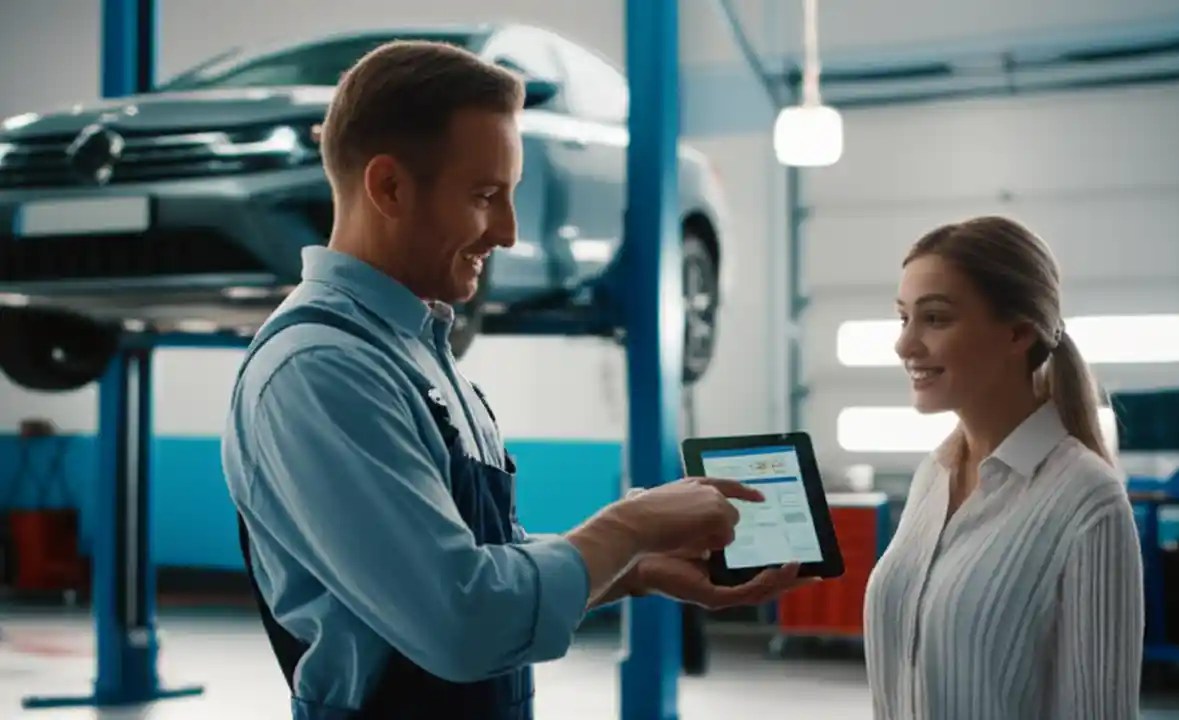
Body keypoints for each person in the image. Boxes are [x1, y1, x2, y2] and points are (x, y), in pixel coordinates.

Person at [221, 41, 805, 720]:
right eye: (485, 196)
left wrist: (632, 565)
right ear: (389, 188)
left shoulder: (416, 353)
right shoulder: (321, 372)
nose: (507, 231)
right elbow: (463, 620)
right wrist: (625, 527)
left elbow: (478, 563)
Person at [863, 216, 1144, 719]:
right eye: (903, 318)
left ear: (1018, 332)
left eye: (935, 318)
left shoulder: (1087, 499)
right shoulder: (933, 476)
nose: (905, 345)